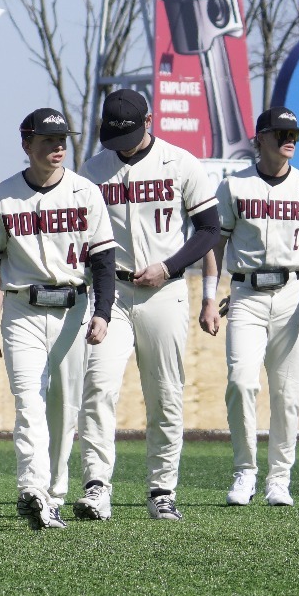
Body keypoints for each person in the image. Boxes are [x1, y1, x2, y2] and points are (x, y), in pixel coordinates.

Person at [75, 89, 220, 522]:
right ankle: (96, 485)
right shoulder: (93, 170)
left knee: (165, 395)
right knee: (98, 387)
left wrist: (170, 266)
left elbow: (209, 230)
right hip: (111, 293)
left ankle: (162, 489)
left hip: (164, 290)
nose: (121, 146)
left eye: (130, 135)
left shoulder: (181, 163)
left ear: (150, 121)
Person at [0, 107, 116, 530]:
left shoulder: (86, 192)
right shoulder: (2, 196)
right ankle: (32, 489)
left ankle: (53, 490)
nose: (56, 147)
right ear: (26, 145)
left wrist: (104, 312)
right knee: (29, 400)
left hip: (73, 307)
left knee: (64, 408)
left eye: (61, 140)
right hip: (22, 310)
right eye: (47, 140)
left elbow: (104, 260)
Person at [201, 106, 299, 508]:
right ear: (260, 138)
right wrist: (209, 296)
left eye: (294, 133)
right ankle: (245, 471)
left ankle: (280, 478)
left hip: (293, 295)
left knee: (286, 393)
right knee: (241, 383)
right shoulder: (233, 186)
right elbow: (215, 243)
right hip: (245, 295)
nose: (289, 139)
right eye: (280, 133)